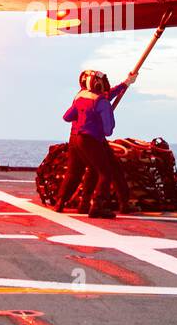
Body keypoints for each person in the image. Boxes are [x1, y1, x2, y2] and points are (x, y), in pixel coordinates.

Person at [55, 68, 136, 217]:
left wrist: (125, 83)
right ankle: (99, 206)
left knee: (75, 172)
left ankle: (63, 202)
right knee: (106, 173)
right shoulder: (102, 103)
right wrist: (99, 117)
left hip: (74, 139)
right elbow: (108, 130)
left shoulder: (80, 97)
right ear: (98, 85)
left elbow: (67, 117)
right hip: (92, 140)